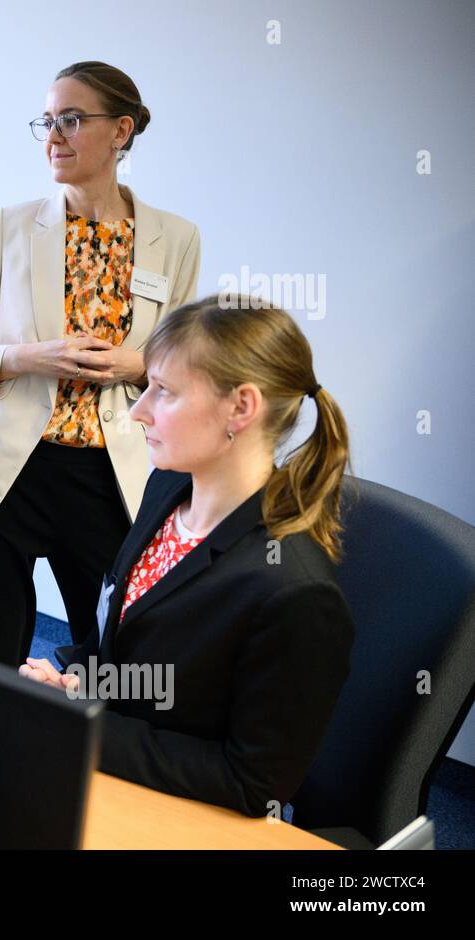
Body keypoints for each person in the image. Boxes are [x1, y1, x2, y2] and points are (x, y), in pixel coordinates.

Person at [19, 295, 355, 818]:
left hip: (177, 812)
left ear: (240, 407)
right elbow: (124, 634)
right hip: (115, 768)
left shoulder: (292, 590)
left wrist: (85, 720)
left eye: (165, 392)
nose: (137, 410)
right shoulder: (168, 487)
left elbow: (251, 782)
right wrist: (74, 677)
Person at [0, 61, 202, 664]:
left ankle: (84, 761)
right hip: (7, 468)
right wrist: (32, 357)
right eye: (47, 121)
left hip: (111, 476)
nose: (53, 136)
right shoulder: (9, 227)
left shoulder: (177, 238)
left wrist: (134, 367)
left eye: (72, 120)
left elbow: (184, 365)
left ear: (121, 131)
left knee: (110, 653)